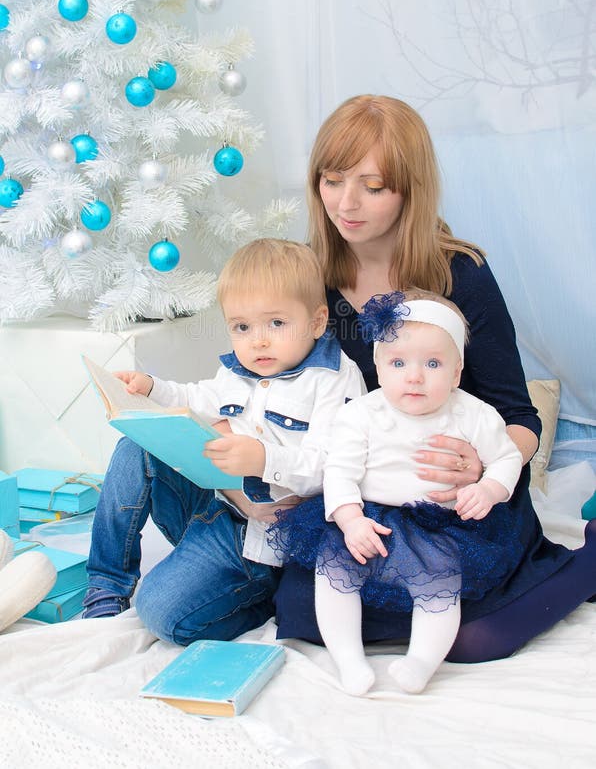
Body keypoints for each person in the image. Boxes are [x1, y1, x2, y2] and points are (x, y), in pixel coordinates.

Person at [273, 94, 596, 662]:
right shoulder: (311, 274)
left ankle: (588, 563)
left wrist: (483, 468)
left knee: (474, 639)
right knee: (301, 614)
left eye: (372, 187)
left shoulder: (461, 273)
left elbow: (521, 418)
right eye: (331, 180)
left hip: (454, 504)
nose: (345, 204)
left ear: (409, 191)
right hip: (370, 498)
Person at [82, 239, 366, 644]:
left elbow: (332, 468)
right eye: (242, 327)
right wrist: (151, 388)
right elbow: (198, 400)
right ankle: (106, 585)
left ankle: (256, 601)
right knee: (136, 444)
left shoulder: (335, 378)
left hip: (260, 539)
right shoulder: (239, 370)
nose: (258, 341)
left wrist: (263, 459)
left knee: (162, 614)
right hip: (217, 504)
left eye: (277, 324)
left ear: (318, 322)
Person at [270, 289, 525, 695]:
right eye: (398, 362)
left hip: (436, 523)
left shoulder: (473, 413)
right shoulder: (361, 414)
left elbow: (508, 458)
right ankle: (349, 660)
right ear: (379, 365)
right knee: (333, 573)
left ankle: (421, 662)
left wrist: (490, 489)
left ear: (457, 372)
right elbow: (339, 472)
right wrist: (351, 520)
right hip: (368, 515)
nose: (414, 376)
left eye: (433, 364)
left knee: (440, 587)